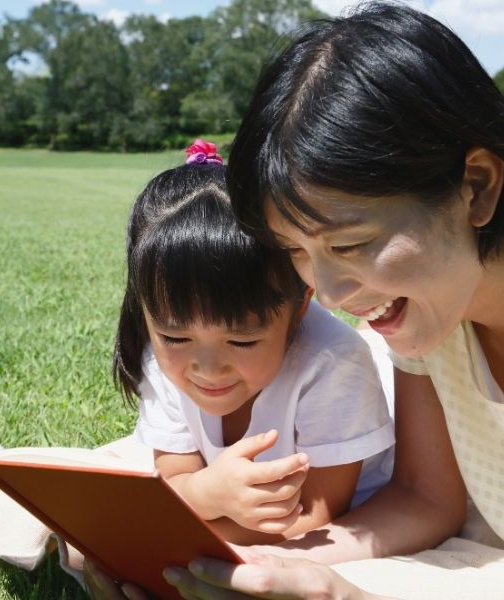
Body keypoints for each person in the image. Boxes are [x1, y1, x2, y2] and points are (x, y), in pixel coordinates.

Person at [144, 3, 504, 600]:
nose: (328, 294)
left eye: (350, 245)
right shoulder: (433, 287)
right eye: (295, 250)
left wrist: (349, 597)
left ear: (478, 187)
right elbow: (423, 497)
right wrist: (251, 563)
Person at [109, 140, 395, 547]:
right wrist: (205, 492)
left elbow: (317, 515)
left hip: (369, 429)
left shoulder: (335, 363)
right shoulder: (163, 360)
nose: (208, 368)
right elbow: (174, 478)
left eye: (241, 341)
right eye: (175, 336)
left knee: (380, 351)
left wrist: (170, 544)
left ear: (300, 307)